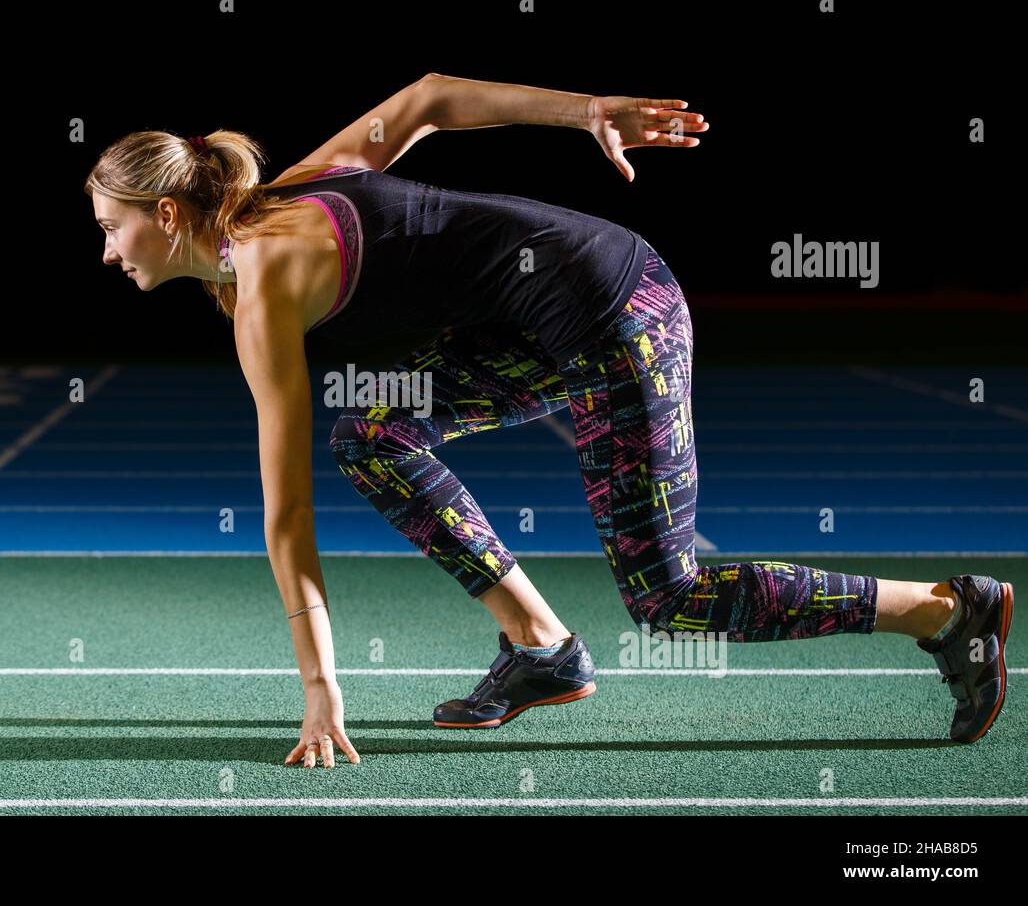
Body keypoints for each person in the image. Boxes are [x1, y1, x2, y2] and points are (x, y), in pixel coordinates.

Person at [84, 73, 1014, 769]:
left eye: (110, 227)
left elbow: (287, 519)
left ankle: (947, 609)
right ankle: (541, 646)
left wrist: (322, 689)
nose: (105, 251)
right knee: (369, 431)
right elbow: (429, 97)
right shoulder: (285, 191)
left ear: (166, 213)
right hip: (547, 324)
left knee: (669, 596)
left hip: (618, 312)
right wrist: (587, 112)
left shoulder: (262, 289)